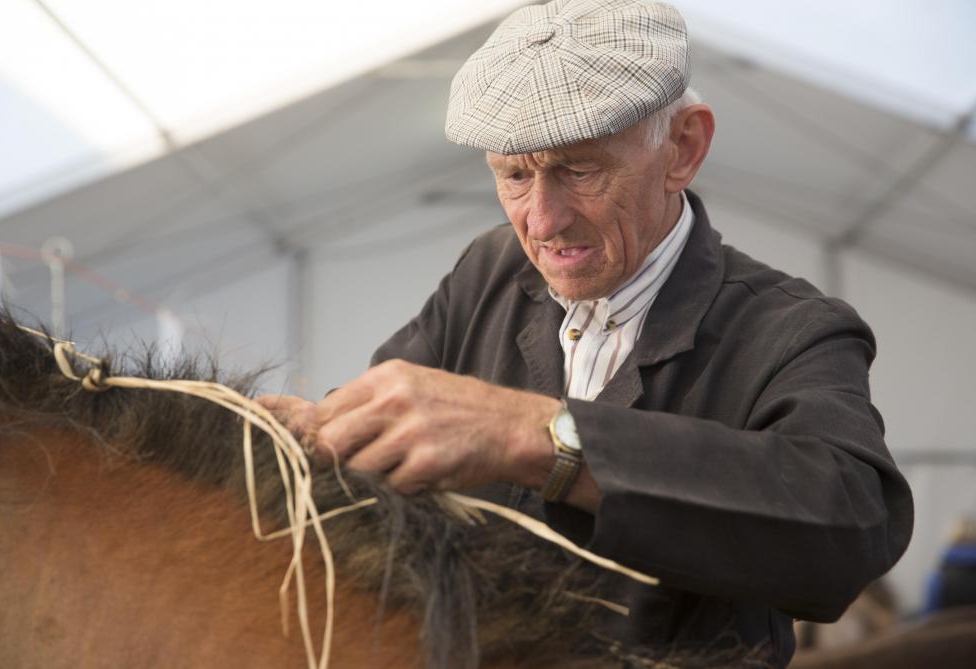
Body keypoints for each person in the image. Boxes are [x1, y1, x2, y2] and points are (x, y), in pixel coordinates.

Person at [261, 1, 914, 665]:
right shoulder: (489, 270)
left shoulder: (791, 329)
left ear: (683, 148)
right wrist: (312, 440)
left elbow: (850, 532)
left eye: (579, 170)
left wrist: (545, 437)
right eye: (515, 175)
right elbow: (382, 438)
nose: (542, 221)